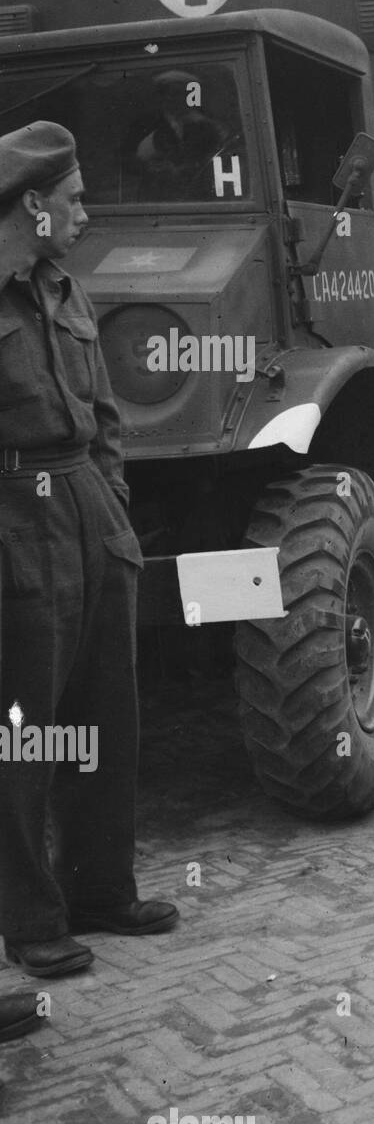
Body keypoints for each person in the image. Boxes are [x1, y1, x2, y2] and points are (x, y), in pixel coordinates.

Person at [0, 120, 178, 980]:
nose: (84, 211)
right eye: (71, 199)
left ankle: (100, 888)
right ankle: (31, 921)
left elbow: (105, 413)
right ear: (33, 205)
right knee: (26, 730)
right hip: (15, 512)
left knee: (107, 712)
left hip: (85, 502)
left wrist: (111, 505)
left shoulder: (65, 286)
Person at [124, 70, 226, 201]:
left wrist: (188, 168)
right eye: (171, 94)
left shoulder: (207, 126)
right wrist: (148, 167)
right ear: (162, 97)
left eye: (181, 94)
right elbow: (125, 158)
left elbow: (219, 157)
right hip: (156, 198)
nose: (176, 99)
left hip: (198, 197)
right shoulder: (144, 125)